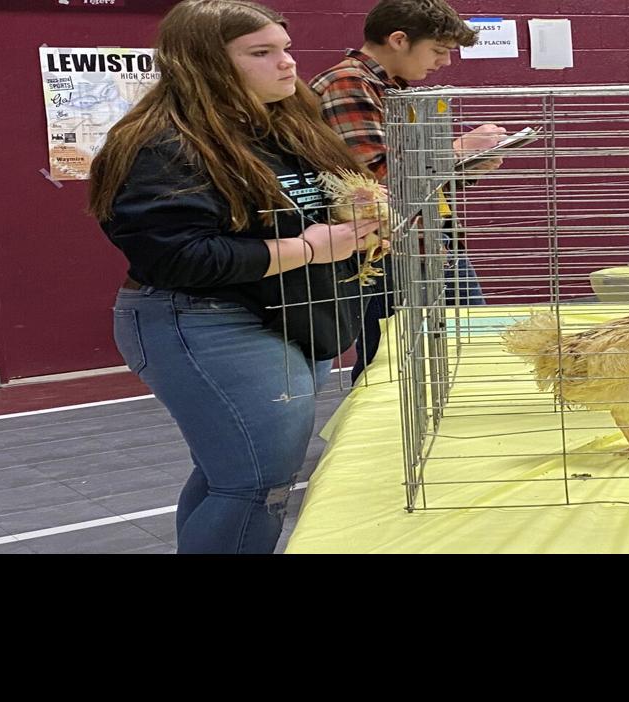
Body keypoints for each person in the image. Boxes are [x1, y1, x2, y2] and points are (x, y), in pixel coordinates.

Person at [88, 0, 382, 553]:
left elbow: (309, 205)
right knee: (255, 484)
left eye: (285, 48)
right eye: (261, 53)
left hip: (290, 313)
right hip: (207, 318)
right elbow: (175, 257)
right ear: (204, 64)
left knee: (231, 476)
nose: (287, 64)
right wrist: (307, 248)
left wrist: (357, 215)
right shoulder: (163, 143)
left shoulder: (282, 126)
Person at [311, 0, 507, 382]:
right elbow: (377, 179)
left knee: (452, 345)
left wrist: (467, 166)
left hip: (423, 236)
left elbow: (416, 176)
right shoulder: (348, 84)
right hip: (391, 247)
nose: (445, 62)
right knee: (391, 362)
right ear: (399, 39)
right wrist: (456, 151)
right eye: (438, 50)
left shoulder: (390, 89)